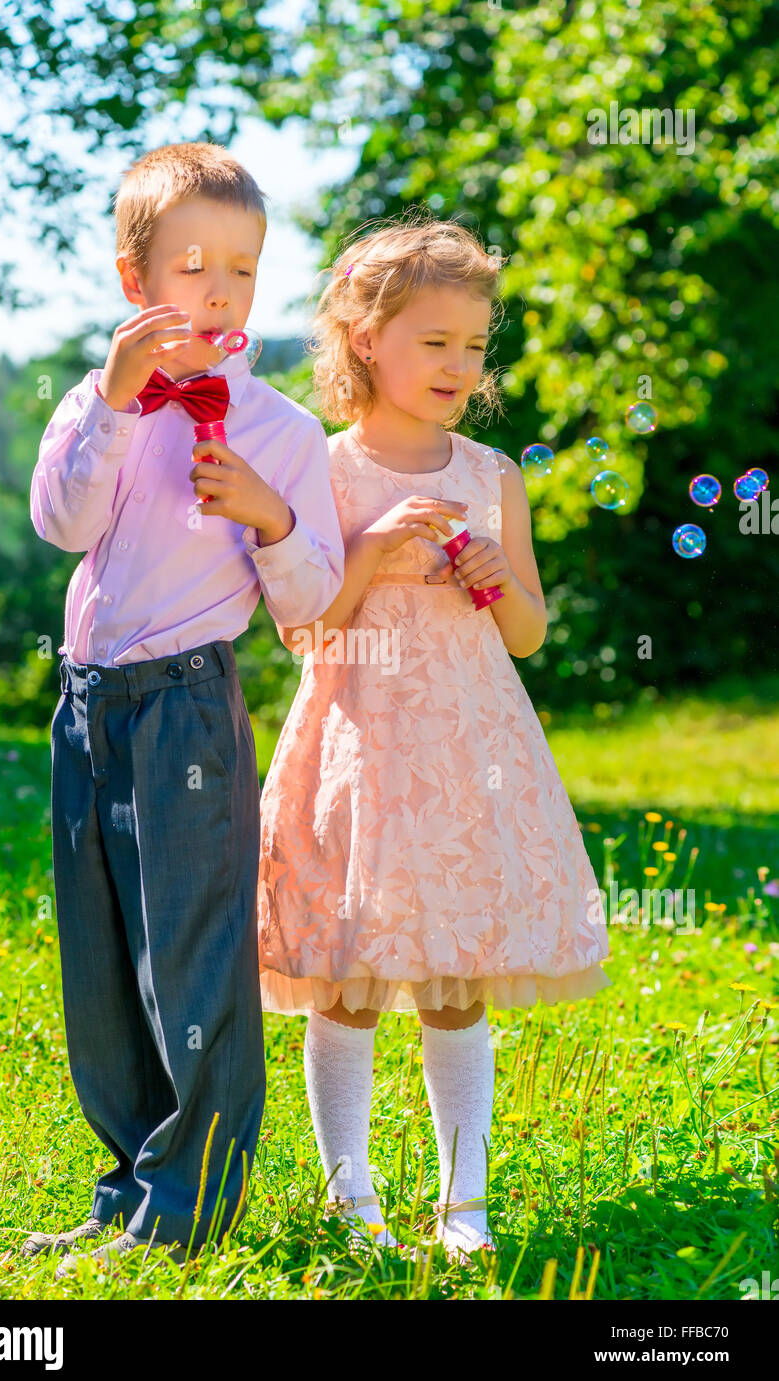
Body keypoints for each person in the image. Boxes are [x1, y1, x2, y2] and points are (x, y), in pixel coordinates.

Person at [256, 218, 611, 1258]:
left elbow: (532, 633)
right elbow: (304, 625)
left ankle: (465, 1204)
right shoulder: (324, 471)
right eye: (436, 341)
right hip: (359, 746)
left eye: (474, 344)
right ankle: (350, 1194)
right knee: (352, 975)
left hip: (467, 752)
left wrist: (494, 581)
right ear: (366, 337)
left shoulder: (491, 474)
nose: (461, 364)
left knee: (454, 978)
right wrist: (364, 549)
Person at [23, 142, 344, 1278]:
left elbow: (313, 603)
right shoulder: (94, 398)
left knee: (191, 952)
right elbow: (63, 522)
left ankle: (191, 1204)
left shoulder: (281, 434)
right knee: (102, 955)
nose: (219, 293)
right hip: (88, 707)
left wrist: (268, 517)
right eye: (194, 267)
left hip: (187, 712)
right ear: (134, 279)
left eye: (244, 272)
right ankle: (130, 1182)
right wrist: (110, 407)